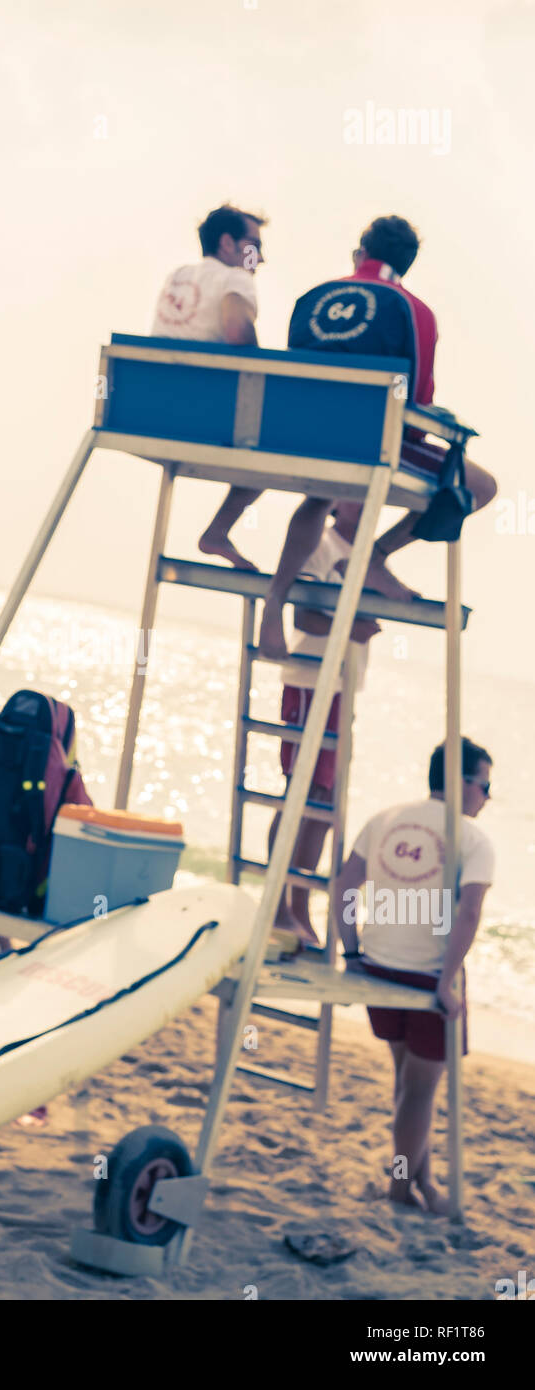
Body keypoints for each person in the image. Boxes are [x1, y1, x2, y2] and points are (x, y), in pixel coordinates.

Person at [259, 216, 497, 658]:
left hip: (301, 438)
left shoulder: (314, 295)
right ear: (408, 262)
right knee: (481, 486)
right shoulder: (413, 309)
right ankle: (375, 554)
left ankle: (274, 599)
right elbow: (419, 400)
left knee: (320, 495)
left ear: (362, 251)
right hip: (371, 446)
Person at [334, 737, 494, 1213]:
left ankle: (421, 1182)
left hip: (379, 970)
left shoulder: (385, 819)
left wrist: (353, 950)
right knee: (419, 1091)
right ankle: (401, 1188)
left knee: (408, 1086)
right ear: (463, 783)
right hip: (426, 979)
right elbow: (468, 915)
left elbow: (345, 886)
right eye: (486, 784)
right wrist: (446, 984)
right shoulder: (471, 838)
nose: (487, 795)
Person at [267, 503, 381, 946]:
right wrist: (353, 627)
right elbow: (303, 614)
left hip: (343, 685)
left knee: (323, 804)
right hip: (312, 679)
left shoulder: (367, 553)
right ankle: (277, 904)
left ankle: (299, 903)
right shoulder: (318, 542)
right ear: (337, 503)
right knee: (297, 794)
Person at [152, 204, 267, 570]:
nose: (261, 258)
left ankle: (217, 534)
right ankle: (218, 531)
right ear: (228, 243)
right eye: (254, 245)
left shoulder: (177, 277)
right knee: (284, 446)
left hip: (151, 411)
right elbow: (238, 335)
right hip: (202, 418)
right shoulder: (235, 279)